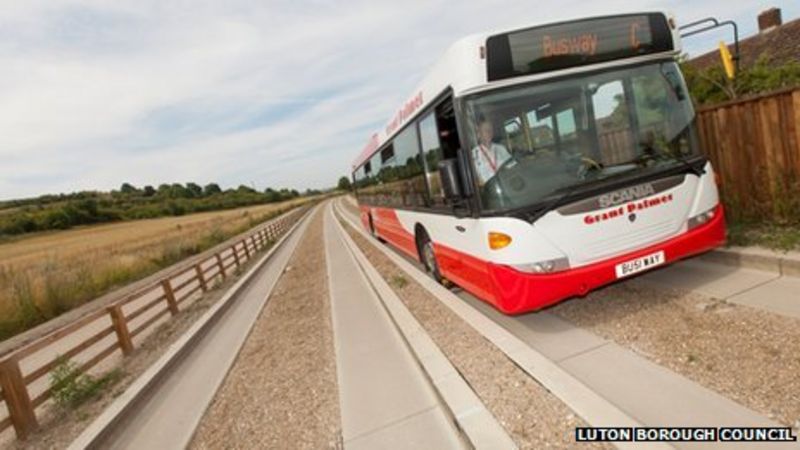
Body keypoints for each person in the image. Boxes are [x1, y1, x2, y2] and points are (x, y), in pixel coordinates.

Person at [471, 117, 512, 185]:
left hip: (506, 184)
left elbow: (511, 166)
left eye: (490, 129)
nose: (489, 132)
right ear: (478, 134)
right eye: (485, 130)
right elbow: (475, 179)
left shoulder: (501, 148)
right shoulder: (474, 154)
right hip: (489, 190)